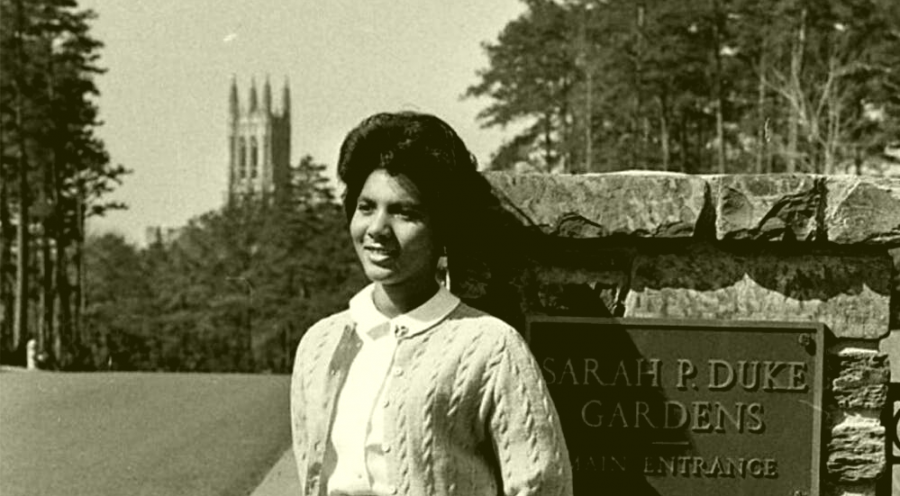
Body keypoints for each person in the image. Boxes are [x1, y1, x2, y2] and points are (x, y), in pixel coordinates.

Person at [291, 111, 572, 496]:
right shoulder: (318, 346)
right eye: (366, 207)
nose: (377, 229)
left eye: (404, 212)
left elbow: (543, 487)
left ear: (442, 228)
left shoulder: (490, 348)